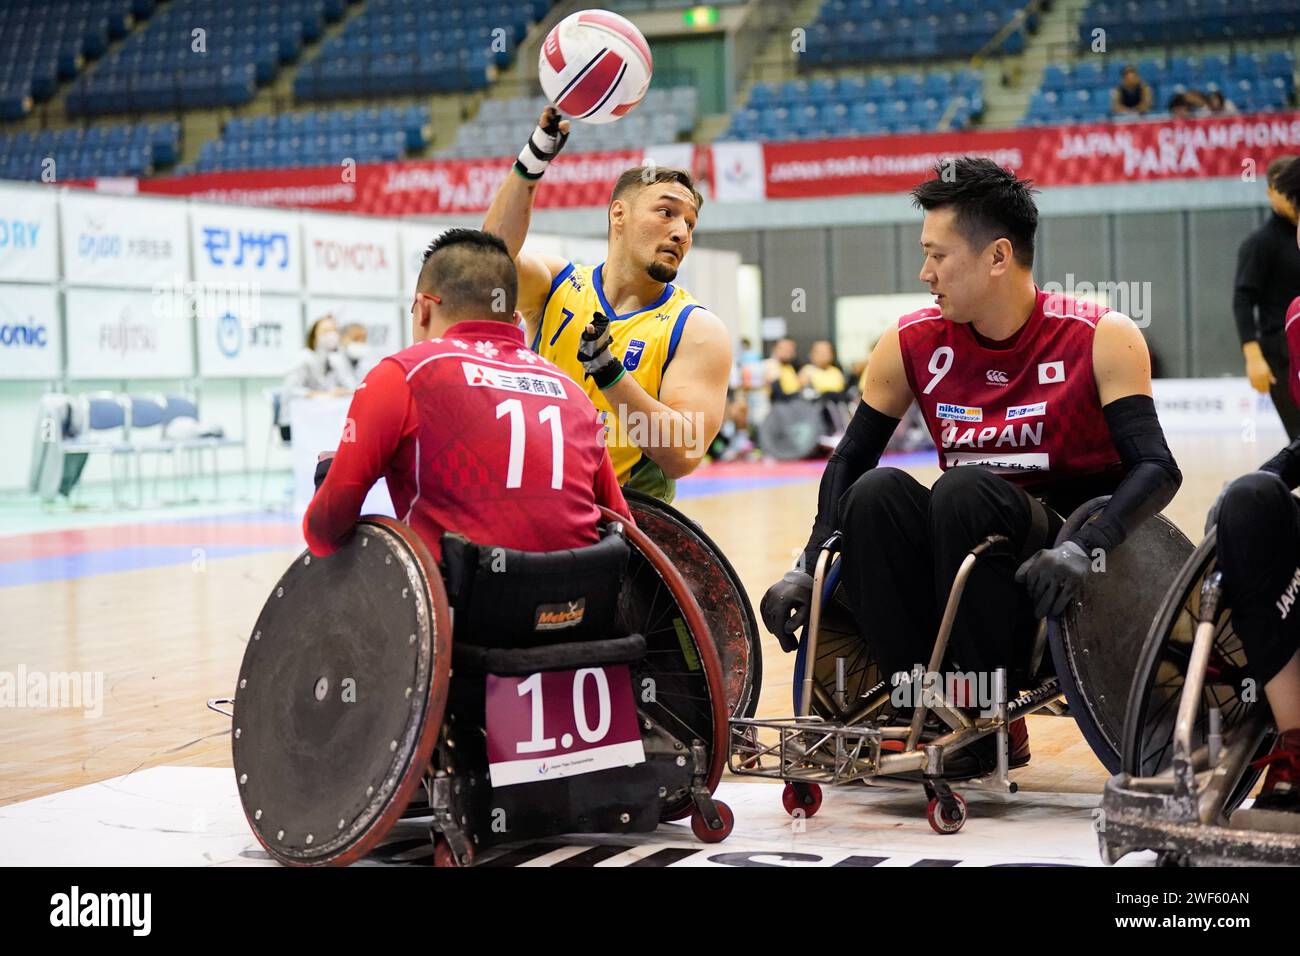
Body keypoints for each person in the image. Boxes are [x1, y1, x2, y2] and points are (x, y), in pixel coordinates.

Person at [759, 157, 1181, 774]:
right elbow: (849, 462)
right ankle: (926, 704)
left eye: (939, 255)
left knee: (959, 490)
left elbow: (1157, 469)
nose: (924, 272)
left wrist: (1084, 547)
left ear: (998, 256)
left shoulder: (1100, 334)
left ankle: (987, 709)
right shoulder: (909, 342)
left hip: (1059, 552)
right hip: (960, 546)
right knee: (875, 494)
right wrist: (807, 564)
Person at [304, 228, 632, 561]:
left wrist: (328, 473)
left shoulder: (402, 374)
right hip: (584, 603)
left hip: (460, 606)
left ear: (423, 309)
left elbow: (324, 533)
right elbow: (622, 523)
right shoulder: (573, 392)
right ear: (514, 318)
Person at [482, 107, 731, 503]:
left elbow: (682, 455)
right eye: (667, 212)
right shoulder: (558, 284)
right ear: (619, 214)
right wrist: (533, 159)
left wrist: (609, 374)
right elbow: (490, 258)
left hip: (626, 522)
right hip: (533, 499)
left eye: (690, 224)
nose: (681, 232)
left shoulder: (697, 329)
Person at [1205, 157, 1300, 813]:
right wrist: (1252, 352)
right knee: (1251, 499)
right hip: (1278, 351)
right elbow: (1242, 298)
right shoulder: (1263, 249)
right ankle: (1291, 732)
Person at [1234, 155, 1300, 439]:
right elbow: (1243, 299)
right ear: (1270, 193)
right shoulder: (1260, 243)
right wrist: (1254, 358)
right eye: (1282, 190)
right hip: (1280, 354)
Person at [278, 314, 355, 441]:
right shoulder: (304, 358)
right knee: (338, 435)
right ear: (314, 337)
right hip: (294, 421)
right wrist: (317, 394)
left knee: (351, 431)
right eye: (326, 331)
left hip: (323, 417)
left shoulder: (335, 359)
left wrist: (344, 391)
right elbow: (290, 390)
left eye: (334, 330)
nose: (332, 335)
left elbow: (351, 386)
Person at [765, 337, 802, 402]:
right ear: (775, 349)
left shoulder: (793, 367)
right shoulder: (769, 365)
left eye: (790, 349)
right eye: (784, 349)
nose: (788, 352)